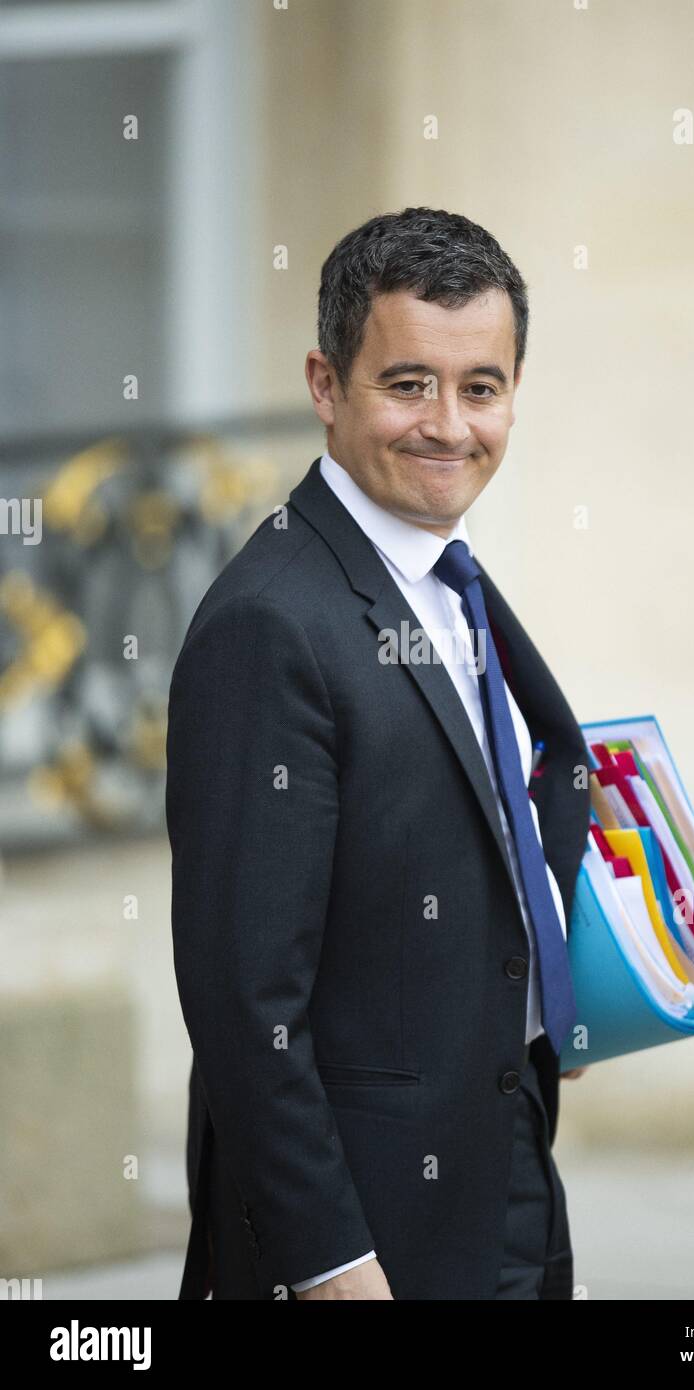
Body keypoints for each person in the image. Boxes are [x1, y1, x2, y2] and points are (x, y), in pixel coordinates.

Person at [166, 207, 591, 1301]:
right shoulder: (271, 621)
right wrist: (330, 1262)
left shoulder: (441, 572)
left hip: (505, 1165)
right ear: (324, 383)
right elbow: (242, 993)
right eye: (408, 384)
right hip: (371, 1233)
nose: (448, 426)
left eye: (481, 387)